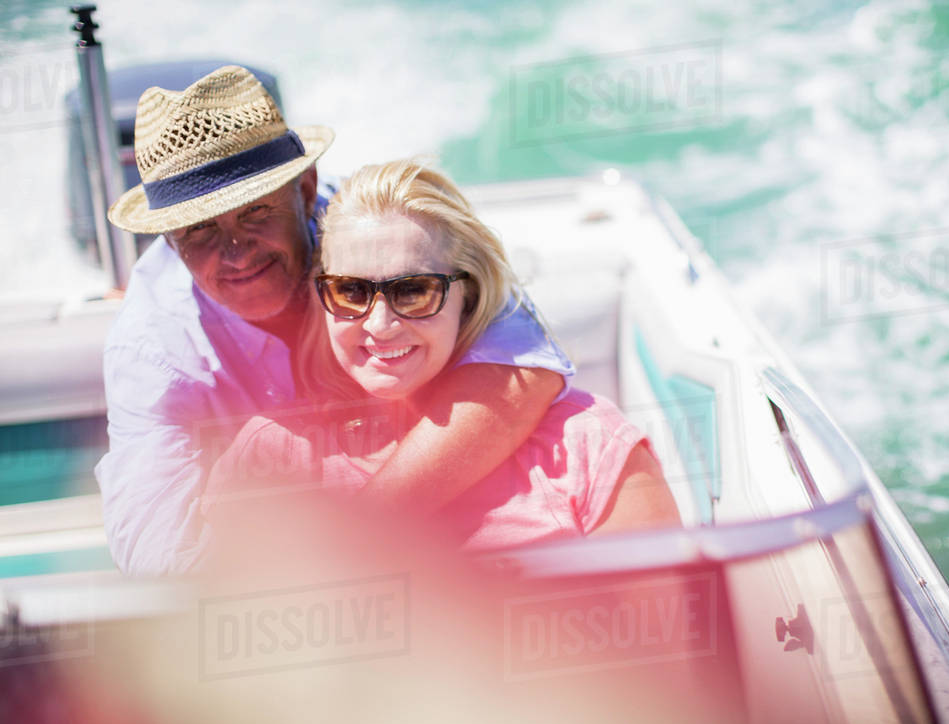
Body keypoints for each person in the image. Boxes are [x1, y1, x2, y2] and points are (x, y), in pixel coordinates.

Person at [98, 65, 573, 574]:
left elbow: (520, 363)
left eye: (255, 213)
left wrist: (355, 540)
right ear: (167, 238)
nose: (235, 253)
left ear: (305, 189)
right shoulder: (151, 346)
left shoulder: (383, 221)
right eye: (198, 230)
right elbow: (156, 554)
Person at [204, 159, 680, 549]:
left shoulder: (591, 445)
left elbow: (666, 648)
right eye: (350, 292)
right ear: (322, 296)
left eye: (413, 291)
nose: (379, 324)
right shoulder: (268, 457)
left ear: (467, 297)